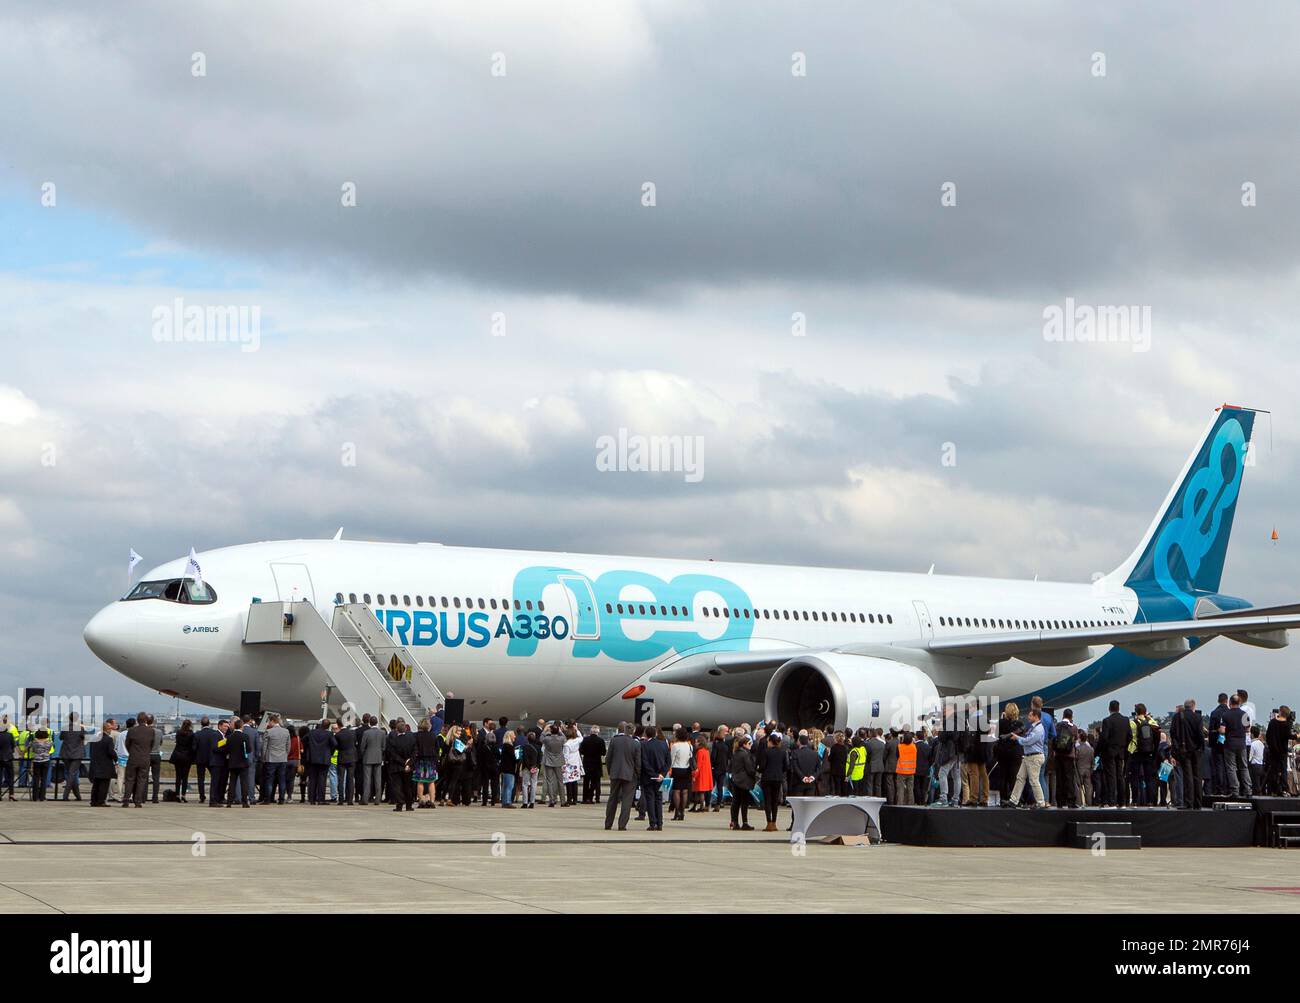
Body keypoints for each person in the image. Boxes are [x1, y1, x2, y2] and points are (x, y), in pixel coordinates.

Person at [603, 722, 641, 831]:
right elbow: (638, 762)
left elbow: (608, 758)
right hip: (630, 775)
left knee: (612, 798)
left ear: (624, 730)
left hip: (615, 773)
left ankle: (608, 823)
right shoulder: (636, 744)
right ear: (633, 731)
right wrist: (638, 775)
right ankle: (622, 824)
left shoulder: (614, 741)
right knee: (627, 800)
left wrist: (610, 771)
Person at [1006, 709, 1046, 808]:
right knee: (1020, 778)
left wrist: (1017, 738)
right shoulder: (1033, 727)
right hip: (1028, 756)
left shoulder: (1038, 729)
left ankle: (1041, 802)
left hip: (1034, 757)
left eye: (1030, 716)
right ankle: (1013, 800)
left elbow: (1028, 741)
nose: (1028, 717)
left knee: (1033, 780)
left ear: (1036, 716)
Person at [1170, 699, 1204, 809]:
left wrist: (1175, 749)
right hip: (1195, 750)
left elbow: (1173, 733)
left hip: (1183, 750)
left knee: (1187, 776)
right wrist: (1200, 748)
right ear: (1194, 706)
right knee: (1197, 776)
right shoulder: (1197, 717)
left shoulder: (1177, 717)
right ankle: (1198, 803)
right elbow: (1200, 735)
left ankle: (1188, 802)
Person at [1098, 700, 1129, 806]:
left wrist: (1100, 750)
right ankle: (1122, 801)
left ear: (1109, 708)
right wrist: (1123, 747)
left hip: (1109, 752)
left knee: (1111, 777)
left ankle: (1112, 800)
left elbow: (1104, 738)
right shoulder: (1125, 720)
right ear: (1119, 708)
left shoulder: (1107, 721)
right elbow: (1129, 736)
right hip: (1120, 752)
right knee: (1120, 776)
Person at [1129, 703, 1160, 806]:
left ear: (1136, 712)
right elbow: (1157, 735)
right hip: (1148, 752)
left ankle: (1134, 800)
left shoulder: (1132, 723)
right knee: (1149, 778)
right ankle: (1150, 801)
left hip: (1136, 752)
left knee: (1135, 778)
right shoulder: (1151, 722)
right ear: (1145, 712)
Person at [1221, 693, 1251, 797]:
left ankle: (1235, 790)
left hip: (1230, 744)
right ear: (1239, 702)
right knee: (1244, 767)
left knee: (1231, 768)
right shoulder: (1244, 714)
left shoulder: (1225, 715)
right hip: (1241, 743)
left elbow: (1222, 730)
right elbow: (1248, 729)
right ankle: (1248, 790)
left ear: (1230, 702)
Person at [759, 732, 788, 832]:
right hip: (778, 778)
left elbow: (762, 766)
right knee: (775, 801)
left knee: (767, 800)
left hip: (767, 778)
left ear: (770, 742)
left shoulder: (766, 752)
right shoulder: (783, 752)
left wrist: (760, 770)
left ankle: (769, 823)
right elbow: (786, 766)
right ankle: (774, 823)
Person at [729, 734, 758, 830]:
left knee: (735, 802)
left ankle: (734, 822)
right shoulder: (745, 754)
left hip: (735, 780)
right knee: (744, 802)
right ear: (744, 744)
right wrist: (754, 773)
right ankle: (745, 822)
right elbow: (749, 768)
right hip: (744, 781)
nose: (750, 745)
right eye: (749, 743)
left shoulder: (735, 753)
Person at [305, 718, 336, 805]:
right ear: (328, 726)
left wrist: (309, 748)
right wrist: (330, 752)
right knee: (322, 779)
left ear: (321, 724)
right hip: (324, 759)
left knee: (312, 779)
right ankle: (321, 799)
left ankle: (312, 799)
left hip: (312, 759)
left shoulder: (312, 732)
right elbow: (335, 744)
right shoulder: (329, 734)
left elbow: (304, 739)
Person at [1052, 709, 1079, 808]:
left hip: (1058, 756)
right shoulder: (1074, 728)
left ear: (1063, 715)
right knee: (1069, 779)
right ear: (1071, 717)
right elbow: (1075, 740)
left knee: (1059, 779)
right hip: (1069, 756)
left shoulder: (1057, 726)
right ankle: (1071, 801)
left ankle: (1060, 801)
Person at [387, 719, 415, 812]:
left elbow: (392, 754)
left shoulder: (393, 740)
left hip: (397, 766)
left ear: (396, 730)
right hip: (408, 766)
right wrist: (409, 763)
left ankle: (399, 803)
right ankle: (409, 805)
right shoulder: (411, 738)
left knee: (397, 786)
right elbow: (415, 752)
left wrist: (403, 763)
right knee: (408, 786)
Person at [261, 715, 290, 804]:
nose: (269, 723)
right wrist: (285, 755)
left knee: (269, 779)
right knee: (282, 779)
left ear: (272, 721)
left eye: (269, 721)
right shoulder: (286, 731)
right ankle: (281, 799)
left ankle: (268, 799)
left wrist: (263, 757)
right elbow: (288, 746)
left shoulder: (268, 732)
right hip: (282, 758)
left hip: (271, 758)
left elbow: (264, 747)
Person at [89, 720, 118, 807]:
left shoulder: (94, 738)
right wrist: (116, 759)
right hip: (105, 765)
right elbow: (111, 752)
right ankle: (101, 801)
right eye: (109, 729)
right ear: (107, 729)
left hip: (95, 764)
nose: (110, 730)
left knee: (96, 784)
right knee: (104, 785)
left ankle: (93, 801)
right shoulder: (108, 739)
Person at [1265, 708, 1293, 797]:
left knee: (1274, 771)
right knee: (1283, 770)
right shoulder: (1286, 724)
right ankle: (1284, 789)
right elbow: (1288, 736)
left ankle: (1274, 789)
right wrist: (1296, 736)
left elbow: (1268, 736)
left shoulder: (1272, 723)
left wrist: (1270, 746)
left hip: (1273, 751)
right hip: (1282, 752)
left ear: (1280, 712)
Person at [224, 718, 252, 806]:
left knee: (232, 782)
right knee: (244, 783)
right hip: (243, 763)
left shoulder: (229, 737)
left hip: (232, 763)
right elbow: (249, 749)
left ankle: (229, 802)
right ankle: (244, 802)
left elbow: (227, 749)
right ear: (241, 726)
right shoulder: (245, 736)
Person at [413, 718, 439, 808]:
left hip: (420, 760)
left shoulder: (416, 736)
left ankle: (421, 800)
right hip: (431, 760)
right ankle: (432, 801)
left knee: (420, 781)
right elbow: (437, 748)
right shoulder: (433, 735)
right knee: (431, 781)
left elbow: (415, 749)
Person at [58, 712, 85, 801]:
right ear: (77, 719)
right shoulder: (80, 728)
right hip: (77, 754)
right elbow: (84, 737)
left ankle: (78, 796)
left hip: (66, 753)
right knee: (72, 774)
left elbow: (61, 738)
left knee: (71, 774)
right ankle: (65, 796)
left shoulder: (65, 728)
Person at [358, 714, 385, 804]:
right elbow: (384, 747)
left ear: (370, 722)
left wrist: (363, 754)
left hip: (368, 757)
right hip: (378, 757)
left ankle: (365, 799)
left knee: (367, 779)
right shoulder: (382, 733)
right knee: (378, 779)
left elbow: (362, 746)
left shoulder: (366, 733)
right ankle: (377, 799)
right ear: (377, 722)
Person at [170, 719, 196, 802]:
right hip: (187, 757)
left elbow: (177, 742)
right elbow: (192, 746)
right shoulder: (191, 734)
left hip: (177, 755)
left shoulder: (178, 732)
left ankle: (177, 794)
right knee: (185, 777)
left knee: (178, 776)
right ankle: (184, 795)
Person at [579, 725, 606, 804]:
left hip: (587, 762)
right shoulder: (601, 740)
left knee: (586, 782)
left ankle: (585, 798)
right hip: (596, 763)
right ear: (598, 732)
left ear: (590, 732)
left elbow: (581, 750)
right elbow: (603, 752)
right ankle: (596, 797)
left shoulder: (585, 740)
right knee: (596, 782)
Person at [334, 716, 357, 806]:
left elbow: (336, 747)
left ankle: (341, 799)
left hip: (342, 758)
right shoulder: (352, 733)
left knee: (341, 779)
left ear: (338, 725)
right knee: (350, 779)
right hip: (352, 757)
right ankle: (350, 799)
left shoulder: (338, 735)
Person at [206, 720, 230, 809]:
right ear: (219, 726)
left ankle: (218, 799)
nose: (226, 728)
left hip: (221, 762)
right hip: (216, 762)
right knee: (215, 782)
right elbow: (215, 748)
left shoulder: (222, 735)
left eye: (227, 727)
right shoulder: (215, 735)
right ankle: (213, 801)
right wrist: (227, 749)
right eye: (225, 726)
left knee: (220, 782)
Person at [193, 717, 217, 803]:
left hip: (200, 759)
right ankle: (214, 795)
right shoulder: (214, 733)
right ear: (209, 724)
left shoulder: (197, 734)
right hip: (211, 758)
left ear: (201, 724)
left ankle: (202, 796)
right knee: (214, 778)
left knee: (200, 779)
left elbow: (194, 748)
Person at [690, 735, 714, 812]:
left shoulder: (700, 752)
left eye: (697, 742)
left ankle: (701, 807)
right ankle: (697, 806)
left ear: (700, 743)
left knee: (700, 791)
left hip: (701, 774)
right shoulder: (706, 751)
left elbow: (699, 765)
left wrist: (694, 775)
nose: (695, 743)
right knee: (700, 791)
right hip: (706, 773)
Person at [562, 725, 584, 806]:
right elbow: (581, 737)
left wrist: (563, 765)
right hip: (576, 762)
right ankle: (575, 799)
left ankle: (569, 799)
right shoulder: (577, 740)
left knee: (569, 782)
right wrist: (576, 729)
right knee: (575, 781)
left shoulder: (567, 744)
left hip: (569, 764)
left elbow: (565, 756)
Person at [28, 729, 52, 800]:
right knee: (44, 779)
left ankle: (35, 797)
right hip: (46, 760)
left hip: (36, 761)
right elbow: (49, 750)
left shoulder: (34, 742)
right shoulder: (49, 742)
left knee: (36, 778)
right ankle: (42, 797)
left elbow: (32, 749)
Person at [519, 728, 540, 808]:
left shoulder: (524, 747)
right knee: (534, 784)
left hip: (526, 768)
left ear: (527, 738)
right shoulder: (538, 747)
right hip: (535, 767)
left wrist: (528, 767)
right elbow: (539, 758)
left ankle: (525, 802)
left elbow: (524, 758)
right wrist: (536, 766)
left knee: (525, 785)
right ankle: (532, 802)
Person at [894, 732, 916, 805]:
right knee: (910, 790)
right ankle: (911, 805)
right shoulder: (914, 747)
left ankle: (900, 805)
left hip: (901, 771)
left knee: (900, 789)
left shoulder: (899, 747)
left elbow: (897, 756)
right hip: (911, 771)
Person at [498, 729, 518, 807]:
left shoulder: (504, 746)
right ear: (510, 736)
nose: (515, 737)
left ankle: (504, 801)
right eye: (513, 735)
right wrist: (517, 758)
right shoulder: (509, 746)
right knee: (509, 786)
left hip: (504, 768)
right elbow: (513, 758)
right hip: (509, 768)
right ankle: (507, 802)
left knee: (505, 786)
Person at [148, 713, 165, 803]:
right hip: (156, 754)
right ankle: (155, 797)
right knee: (156, 777)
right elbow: (161, 742)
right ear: (153, 721)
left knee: (144, 777)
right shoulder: (159, 732)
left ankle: (143, 796)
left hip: (147, 755)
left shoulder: (145, 731)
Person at [0, 717, 14, 801]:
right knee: (10, 777)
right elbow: (12, 746)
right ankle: (11, 794)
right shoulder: (9, 735)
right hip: (8, 758)